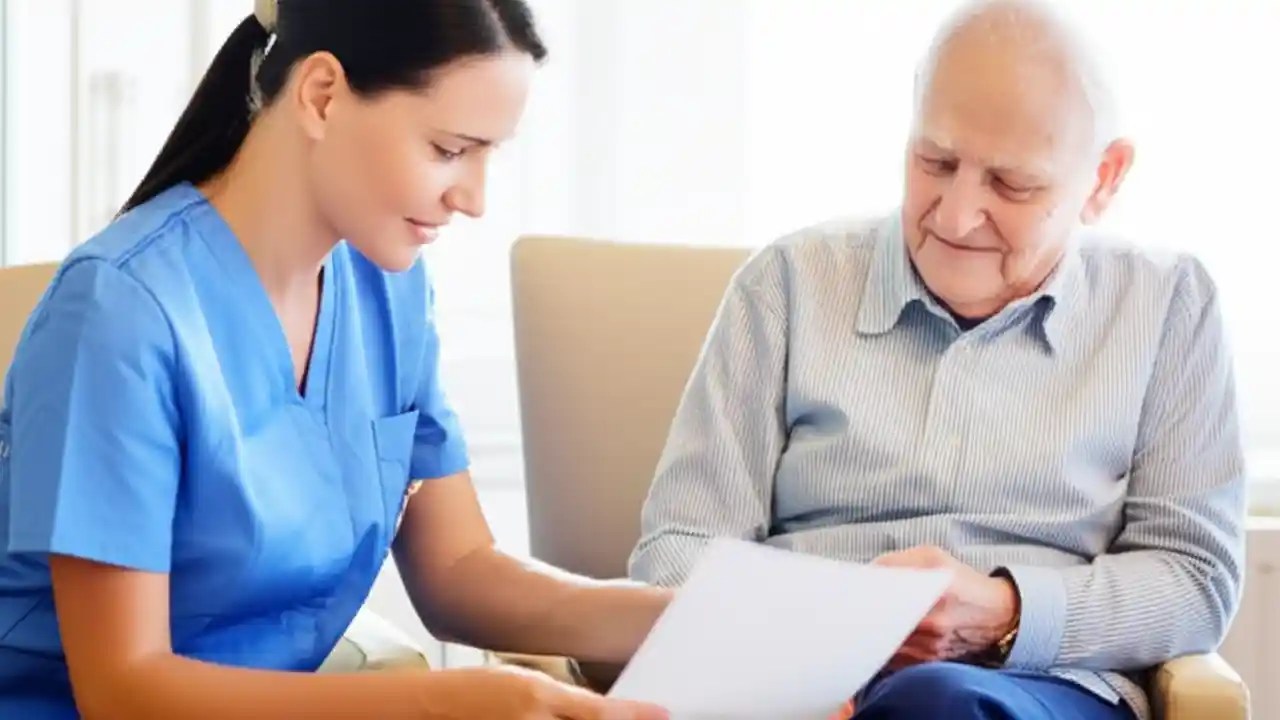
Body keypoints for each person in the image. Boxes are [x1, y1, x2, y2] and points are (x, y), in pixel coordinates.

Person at [0, 2, 862, 718]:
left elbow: (457, 571)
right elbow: (123, 689)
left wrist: (694, 627)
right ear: (323, 95)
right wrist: (435, 704)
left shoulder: (386, 287)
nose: (474, 198)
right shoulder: (118, 313)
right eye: (450, 150)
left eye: (489, 156)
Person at [628, 1, 1246, 719]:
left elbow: (1195, 581)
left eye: (1011, 185)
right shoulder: (787, 285)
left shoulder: (1168, 306)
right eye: (936, 162)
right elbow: (679, 546)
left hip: (1040, 687)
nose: (954, 216)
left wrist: (1004, 612)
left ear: (1104, 178)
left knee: (937, 702)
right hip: (795, 690)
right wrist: (789, 660)